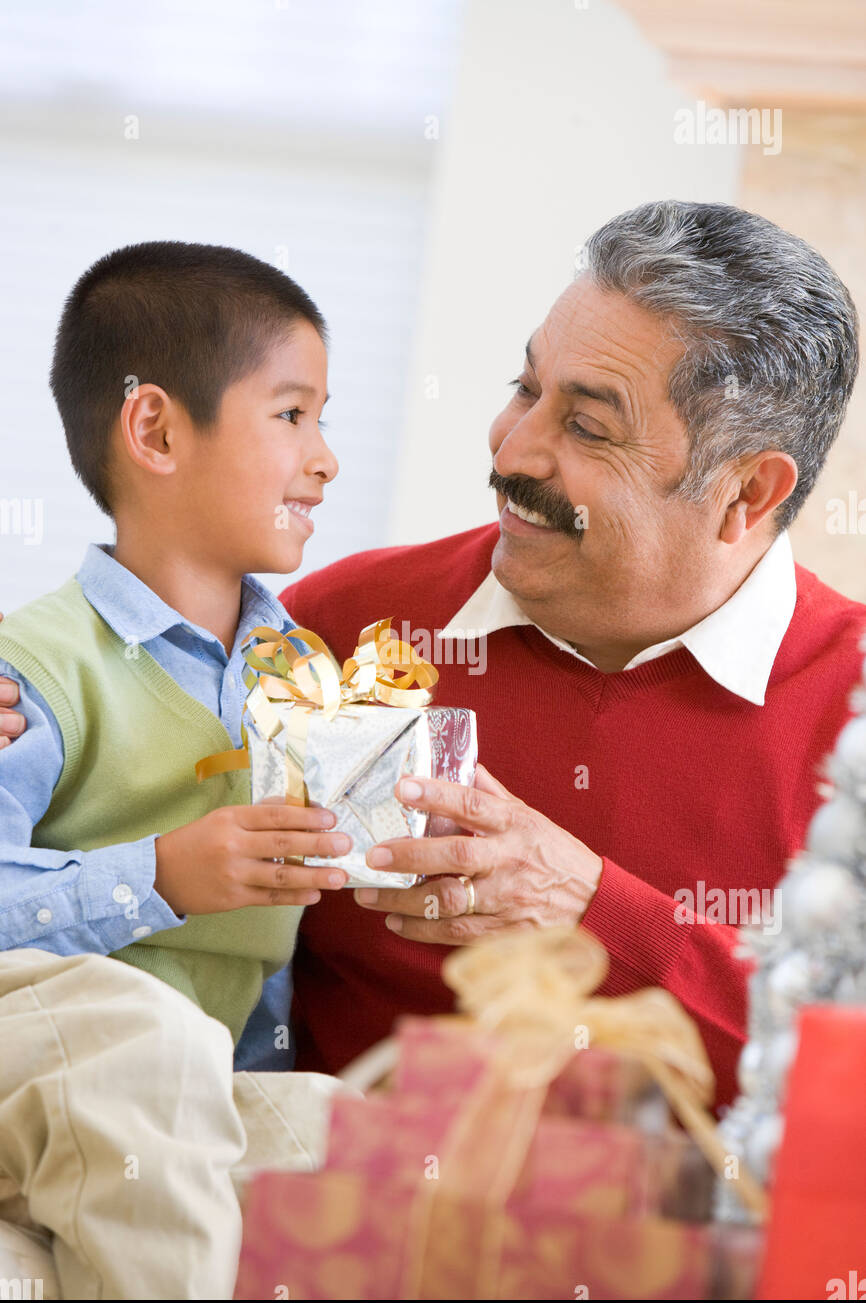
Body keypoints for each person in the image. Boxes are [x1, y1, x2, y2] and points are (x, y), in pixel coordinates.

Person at [276, 201, 864, 1111]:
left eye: (587, 428)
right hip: (330, 1221)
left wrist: (592, 912)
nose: (512, 450)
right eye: (524, 388)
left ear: (748, 490)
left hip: (695, 1238)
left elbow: (840, 1082)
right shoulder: (342, 623)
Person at [0, 241, 359, 1297]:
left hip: (185, 1092)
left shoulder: (309, 682)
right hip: (53, 1045)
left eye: (326, 417)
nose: (326, 457)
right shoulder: (34, 669)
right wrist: (158, 874)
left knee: (350, 1136)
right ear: (155, 427)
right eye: (292, 415)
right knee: (147, 1047)